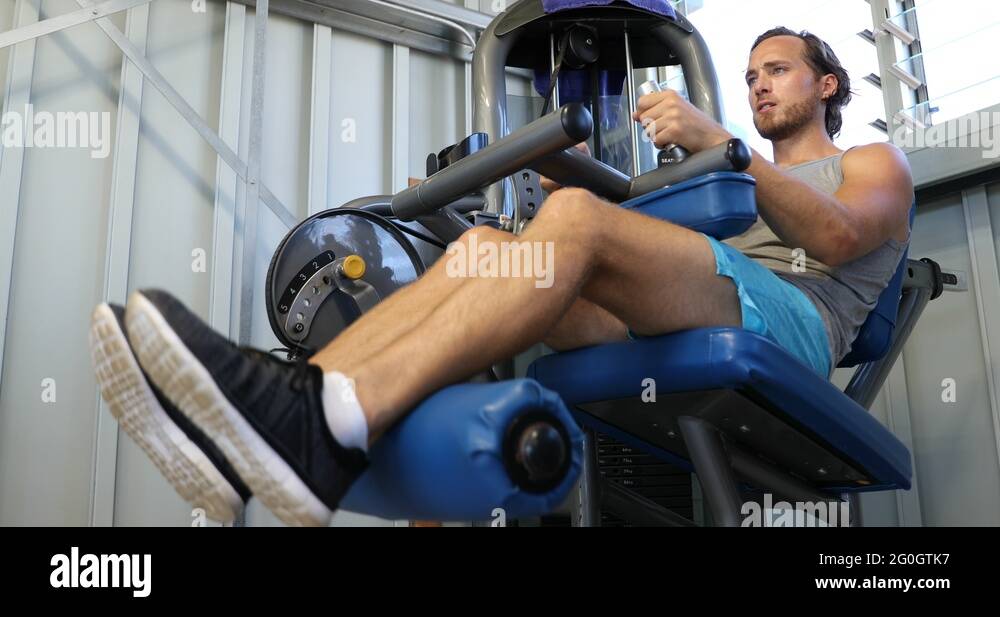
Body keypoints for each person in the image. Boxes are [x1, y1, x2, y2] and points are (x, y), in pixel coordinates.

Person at [90, 27, 914, 526]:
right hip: (716, 294)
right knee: (484, 250)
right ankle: (296, 407)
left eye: (777, 71)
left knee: (582, 226)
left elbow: (838, 238)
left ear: (827, 84)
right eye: (750, 77)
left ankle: (323, 421)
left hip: (797, 325)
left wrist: (716, 138)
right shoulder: (732, 176)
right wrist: (578, 183)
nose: (759, 83)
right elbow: (661, 248)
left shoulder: (872, 161)